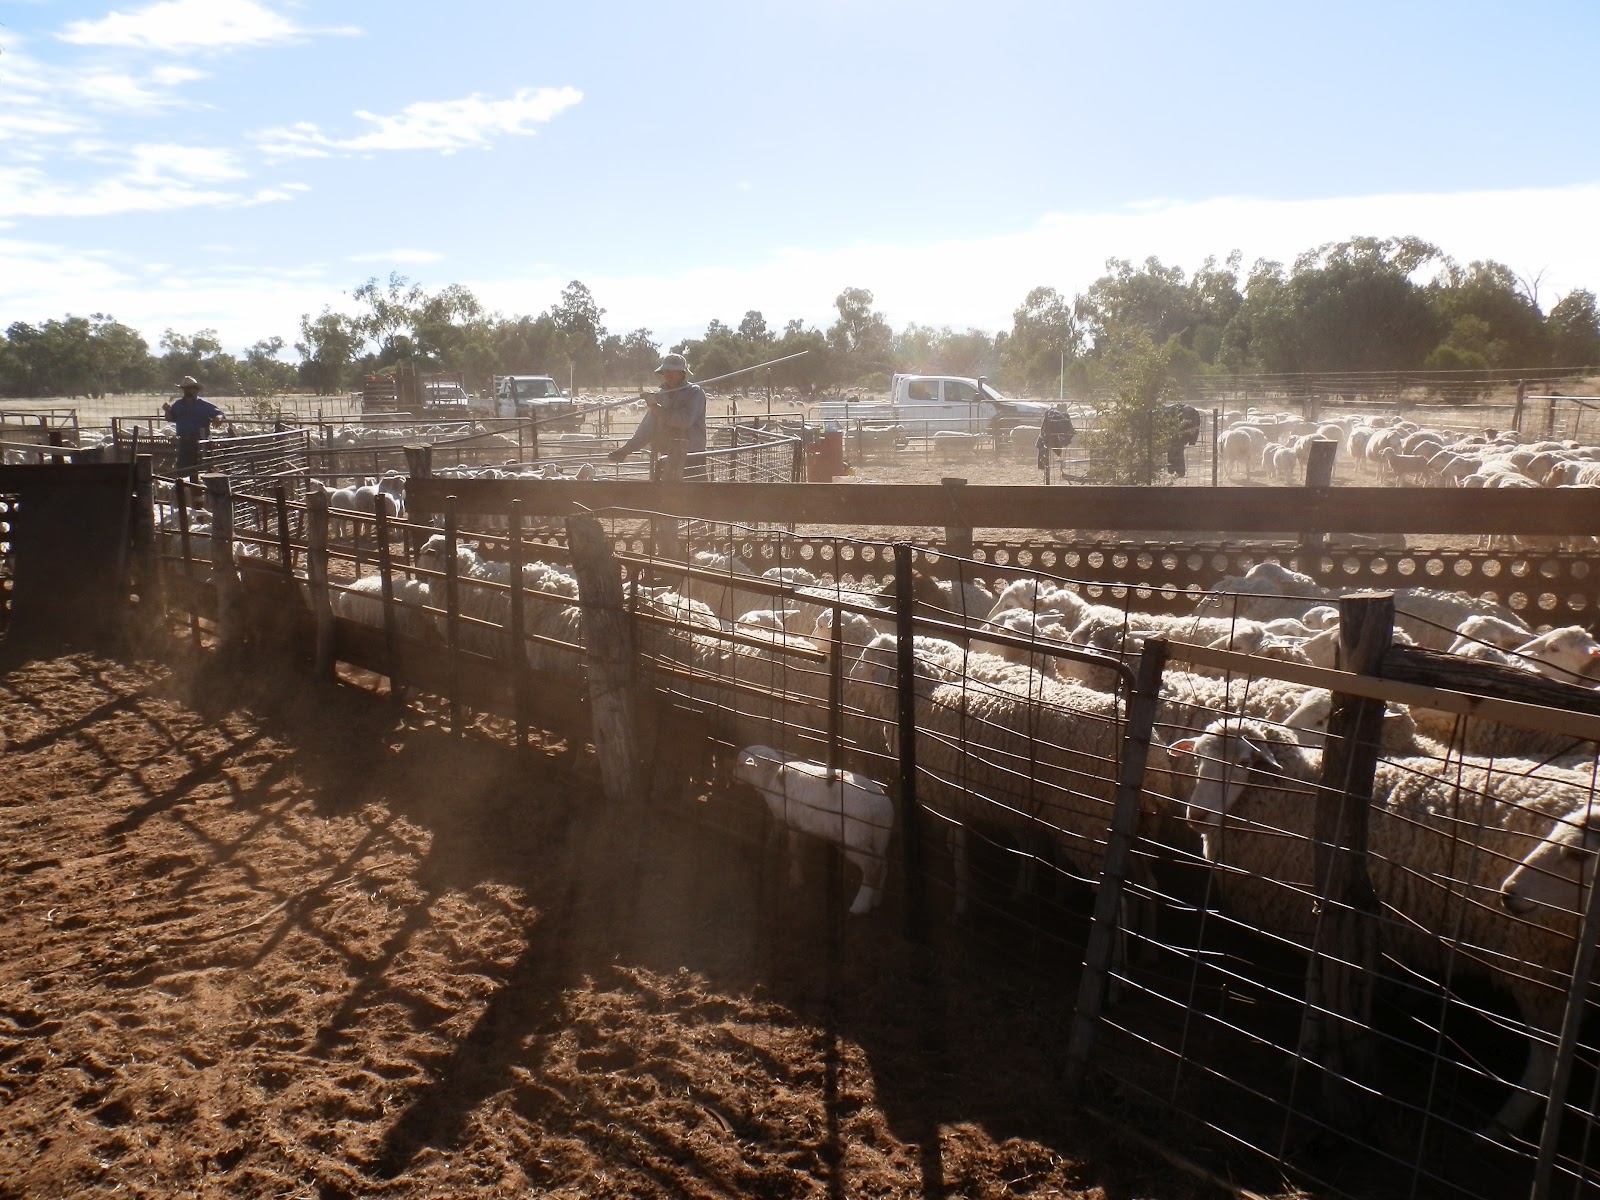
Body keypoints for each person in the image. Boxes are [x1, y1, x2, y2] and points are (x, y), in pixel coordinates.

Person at [607, 353, 708, 479]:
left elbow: (684, 421)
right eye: (665, 371)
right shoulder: (661, 395)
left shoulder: (694, 392)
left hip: (691, 458)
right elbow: (646, 430)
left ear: (682, 373)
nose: (668, 374)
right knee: (665, 496)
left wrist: (654, 406)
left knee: (696, 496)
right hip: (667, 457)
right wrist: (625, 450)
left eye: (673, 371)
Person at [163, 376, 225, 475]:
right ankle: (187, 488)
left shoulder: (204, 405)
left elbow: (219, 413)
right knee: (184, 470)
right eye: (185, 388)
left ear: (196, 390)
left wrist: (218, 417)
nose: (187, 391)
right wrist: (167, 411)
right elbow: (170, 418)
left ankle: (202, 488)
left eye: (189, 388)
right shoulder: (178, 405)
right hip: (184, 442)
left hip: (201, 442)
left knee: (203, 469)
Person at [1165, 403, 1202, 477]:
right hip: (1185, 434)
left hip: (1180, 434)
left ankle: (1175, 469)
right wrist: (1193, 439)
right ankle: (1176, 469)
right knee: (1177, 449)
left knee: (1175, 449)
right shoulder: (1191, 411)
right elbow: (1196, 425)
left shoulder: (1182, 412)